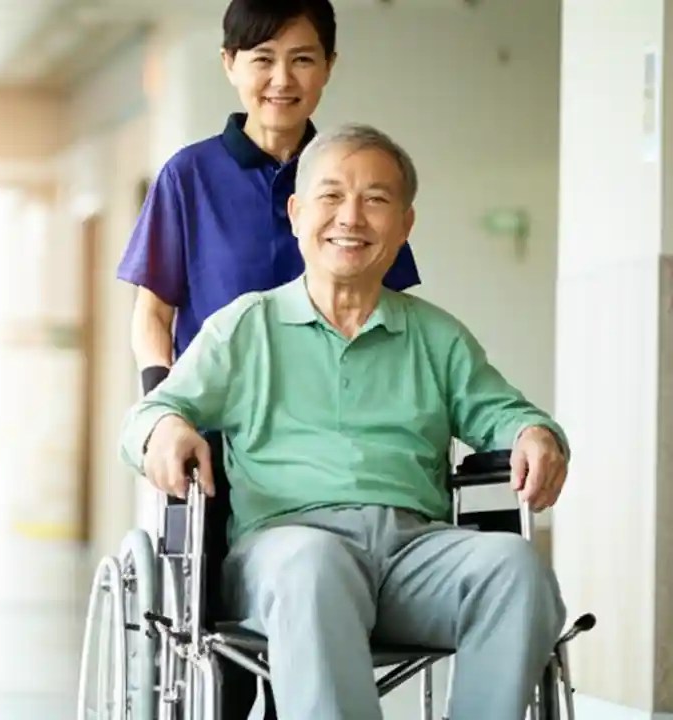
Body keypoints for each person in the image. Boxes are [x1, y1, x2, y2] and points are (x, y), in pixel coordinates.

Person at [118, 123, 569, 719]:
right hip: (286, 553)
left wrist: (536, 434)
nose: (350, 218)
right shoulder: (246, 327)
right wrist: (168, 429)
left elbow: (507, 414)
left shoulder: (436, 337)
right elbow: (150, 416)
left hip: (414, 554)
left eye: (376, 200)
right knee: (317, 567)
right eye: (331, 197)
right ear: (297, 213)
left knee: (515, 570)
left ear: (405, 226)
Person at [116, 1, 420, 714]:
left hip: (327, 445)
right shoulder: (189, 177)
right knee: (223, 665)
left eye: (303, 58)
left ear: (328, 69)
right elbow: (153, 314)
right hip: (219, 446)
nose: (282, 79)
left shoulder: (349, 177)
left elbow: (393, 309)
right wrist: (165, 413)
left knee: (311, 643)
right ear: (230, 66)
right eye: (262, 59)